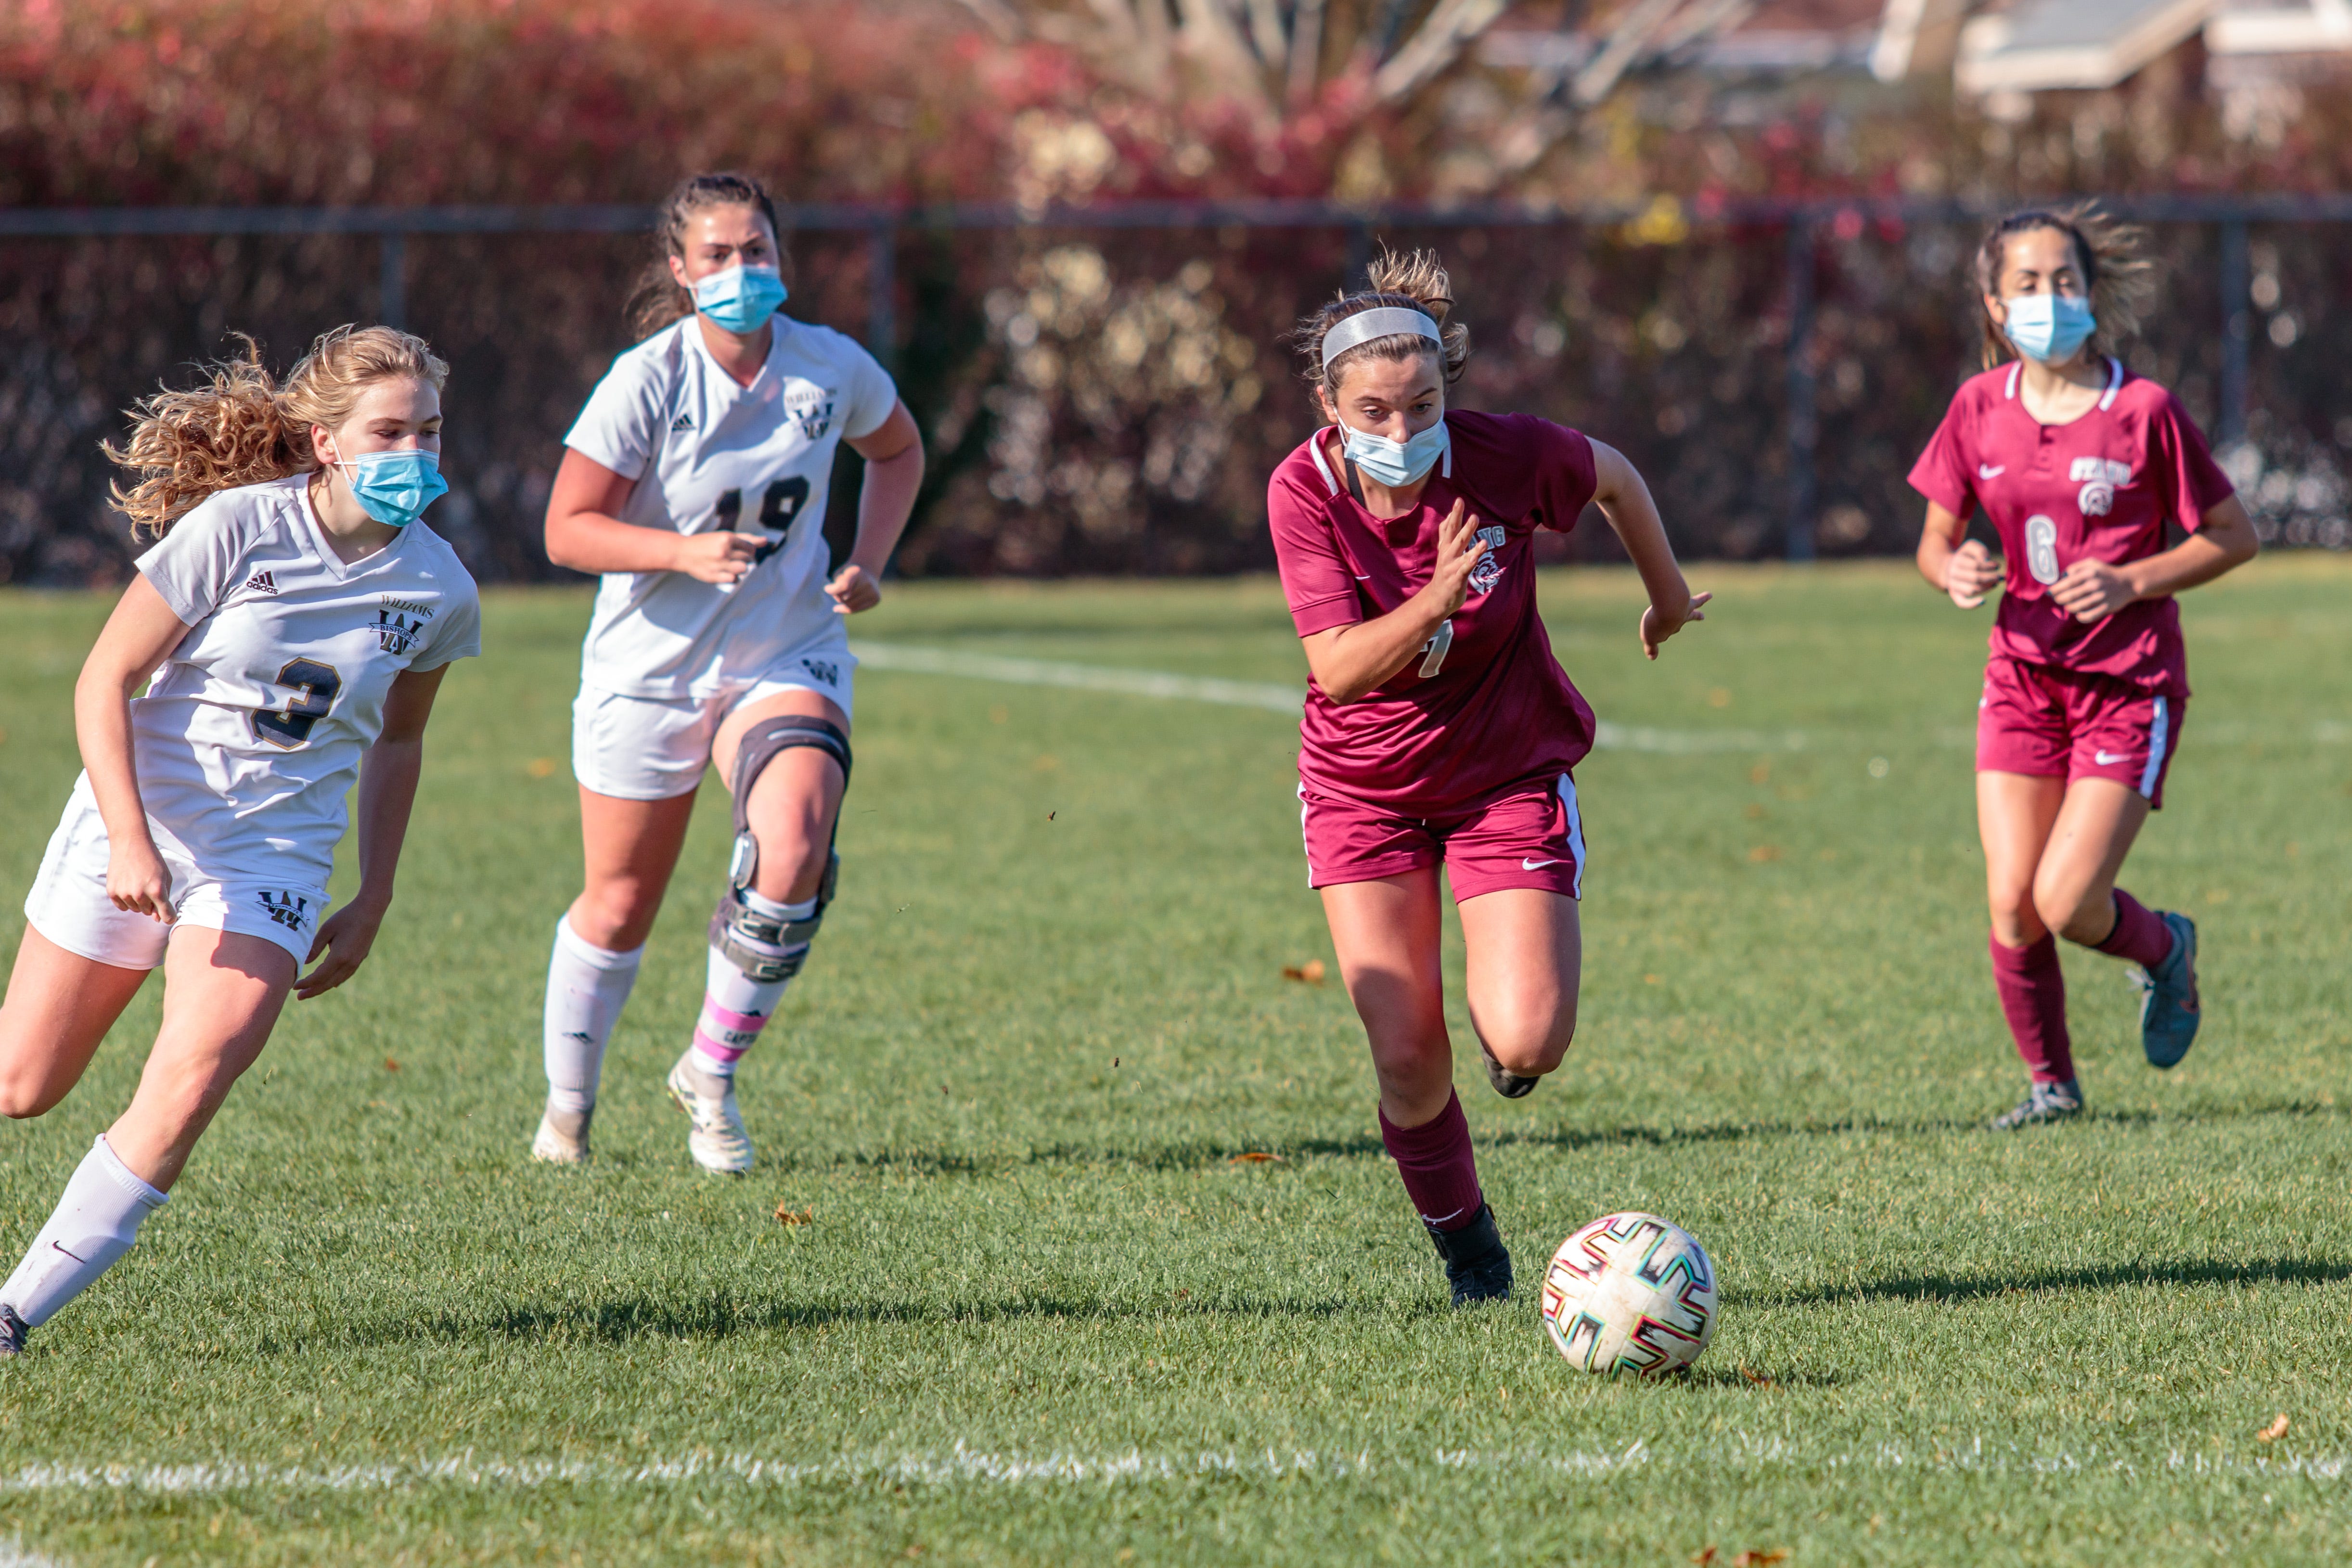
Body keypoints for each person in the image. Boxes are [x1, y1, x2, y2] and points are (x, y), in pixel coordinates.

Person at [0, 327, 480, 1354]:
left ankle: (11, 1315)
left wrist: (375, 894)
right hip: (142, 821)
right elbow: (103, 679)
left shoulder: (439, 589)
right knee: (21, 1084)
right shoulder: (239, 527)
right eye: (389, 432)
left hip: (270, 863)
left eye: (430, 432)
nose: (415, 454)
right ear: (326, 442)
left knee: (196, 1073)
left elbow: (400, 743)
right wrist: (128, 838)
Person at [1266, 252, 1708, 1306]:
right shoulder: (1301, 491)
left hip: (1504, 772)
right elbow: (1340, 668)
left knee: (1527, 1037)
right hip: (1363, 791)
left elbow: (1612, 476)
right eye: (1372, 411)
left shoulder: (1504, 456)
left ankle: (1508, 1030)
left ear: (1445, 389)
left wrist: (1666, 596)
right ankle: (1472, 1255)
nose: (1400, 428)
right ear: (1329, 406)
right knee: (1408, 1054)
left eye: (1421, 403)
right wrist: (1434, 599)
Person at [534, 171, 923, 1173]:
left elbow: (898, 451)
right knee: (619, 902)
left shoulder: (828, 365)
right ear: (680, 269)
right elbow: (566, 530)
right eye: (718, 254)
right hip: (649, 669)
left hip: (784, 650)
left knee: (793, 847)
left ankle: (709, 1074)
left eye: (757, 251)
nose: (741, 270)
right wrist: (680, 553)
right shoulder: (648, 379)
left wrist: (868, 560)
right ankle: (567, 1114)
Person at [1908, 205, 2258, 1131]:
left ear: (2091, 295)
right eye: (2027, 283)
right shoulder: (1977, 408)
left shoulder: (2144, 412)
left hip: (2129, 686)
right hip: (2021, 678)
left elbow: (2234, 535)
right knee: (2011, 901)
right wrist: (1956, 571)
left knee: (2066, 901)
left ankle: (2165, 947)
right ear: (1995, 303)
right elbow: (1935, 543)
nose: (2049, 298)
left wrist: (2131, 578)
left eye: (2065, 280)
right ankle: (2052, 1088)